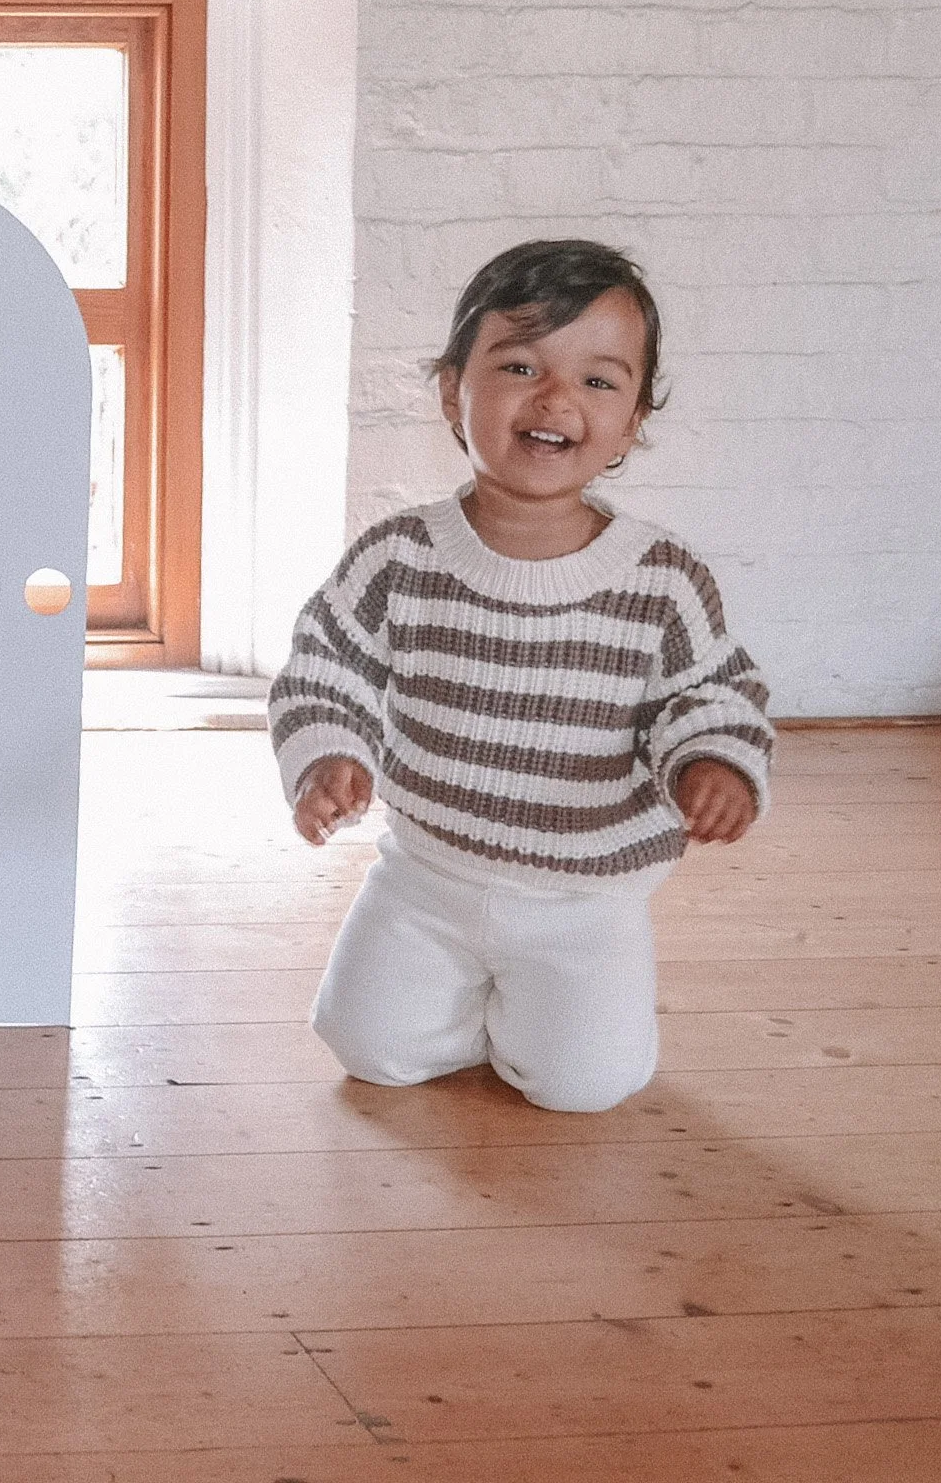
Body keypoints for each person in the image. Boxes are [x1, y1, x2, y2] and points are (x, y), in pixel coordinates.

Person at [271, 238, 771, 1113]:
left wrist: (712, 762)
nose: (553, 398)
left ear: (633, 423)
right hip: (426, 874)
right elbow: (327, 661)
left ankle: (559, 1011)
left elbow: (709, 691)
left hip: (584, 895)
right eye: (517, 364)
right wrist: (327, 755)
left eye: (597, 380)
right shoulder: (398, 556)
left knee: (584, 1087)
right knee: (369, 1050)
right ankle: (469, 1005)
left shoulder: (661, 578)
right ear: (451, 392)